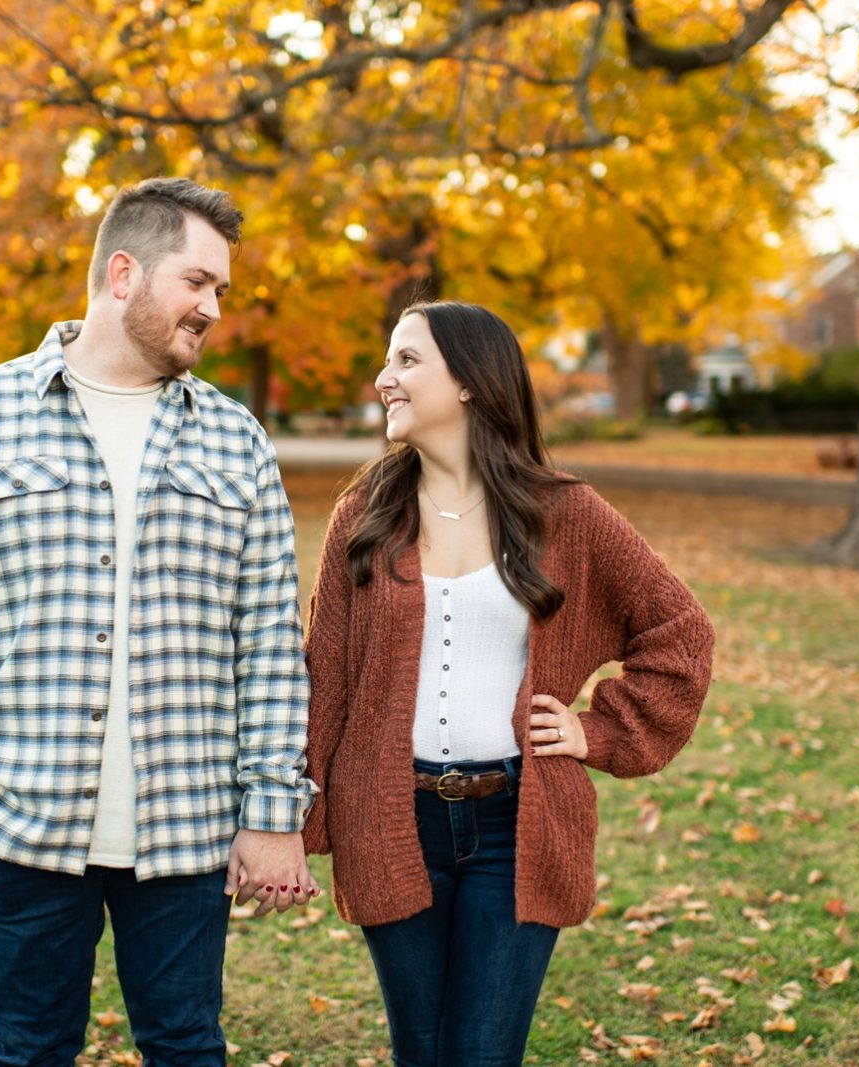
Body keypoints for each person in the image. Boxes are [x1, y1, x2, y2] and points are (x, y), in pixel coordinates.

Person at [0, 177, 318, 1067]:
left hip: (189, 831)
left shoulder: (237, 441)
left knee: (188, 1048)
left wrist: (273, 809)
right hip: (18, 823)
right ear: (124, 273)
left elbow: (269, 643)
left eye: (221, 292)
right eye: (197, 282)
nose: (213, 309)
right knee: (30, 1047)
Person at [301, 300, 714, 1066]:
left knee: (482, 1053)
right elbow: (324, 678)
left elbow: (680, 633)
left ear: (468, 380)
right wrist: (294, 823)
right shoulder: (363, 513)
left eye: (406, 360)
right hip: (393, 818)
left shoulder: (566, 513)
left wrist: (600, 730)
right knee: (419, 1051)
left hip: (517, 825)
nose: (384, 378)